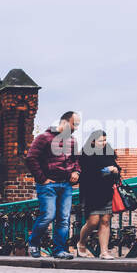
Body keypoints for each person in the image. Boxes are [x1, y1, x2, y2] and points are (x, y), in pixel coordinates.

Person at [24, 111, 81, 259]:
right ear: (64, 122)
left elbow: (77, 161)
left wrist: (77, 172)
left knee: (64, 219)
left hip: (66, 185)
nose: (75, 128)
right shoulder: (44, 137)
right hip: (48, 185)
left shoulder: (73, 141)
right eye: (74, 124)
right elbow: (31, 158)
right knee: (48, 216)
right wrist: (42, 179)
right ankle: (33, 243)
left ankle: (59, 250)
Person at [75, 130, 121, 258]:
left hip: (106, 190)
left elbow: (117, 168)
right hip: (91, 191)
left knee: (105, 220)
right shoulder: (87, 154)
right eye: (101, 140)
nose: (104, 143)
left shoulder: (109, 152)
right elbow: (88, 173)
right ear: (93, 141)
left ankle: (104, 252)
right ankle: (81, 243)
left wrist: (116, 170)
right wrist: (107, 170)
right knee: (93, 221)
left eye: (105, 140)